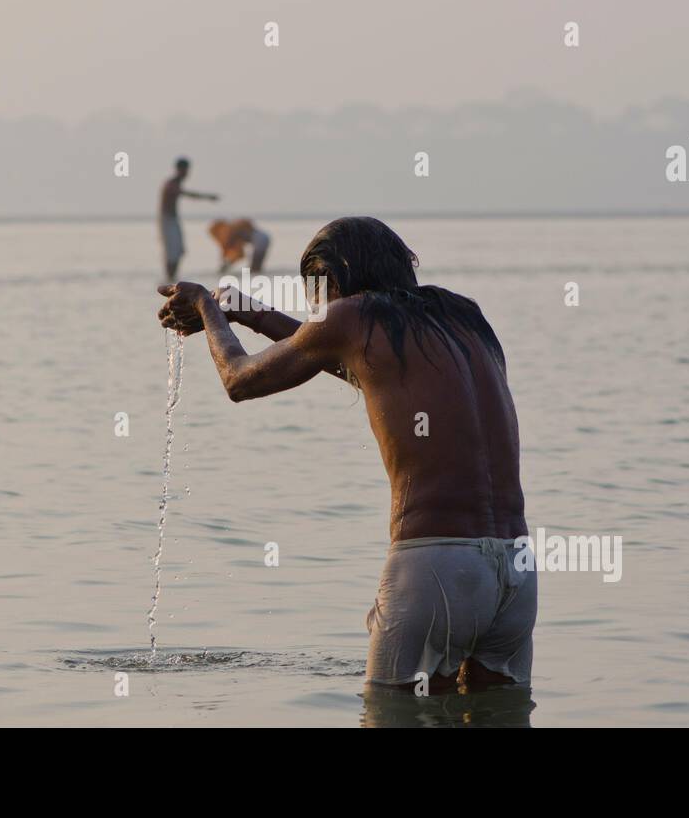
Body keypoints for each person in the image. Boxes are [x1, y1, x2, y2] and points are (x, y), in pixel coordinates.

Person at [156, 217, 534, 693]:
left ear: (336, 280)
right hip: (514, 575)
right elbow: (345, 360)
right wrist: (245, 311)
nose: (320, 308)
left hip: (435, 567)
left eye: (319, 292)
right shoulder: (464, 316)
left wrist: (207, 307)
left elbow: (239, 378)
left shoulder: (352, 316)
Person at [158, 157, 219, 281]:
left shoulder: (176, 183)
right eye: (185, 170)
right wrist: (208, 197)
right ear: (180, 169)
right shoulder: (171, 183)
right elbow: (186, 194)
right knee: (172, 253)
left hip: (173, 220)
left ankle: (172, 278)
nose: (187, 173)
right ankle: (169, 279)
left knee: (179, 251)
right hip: (167, 220)